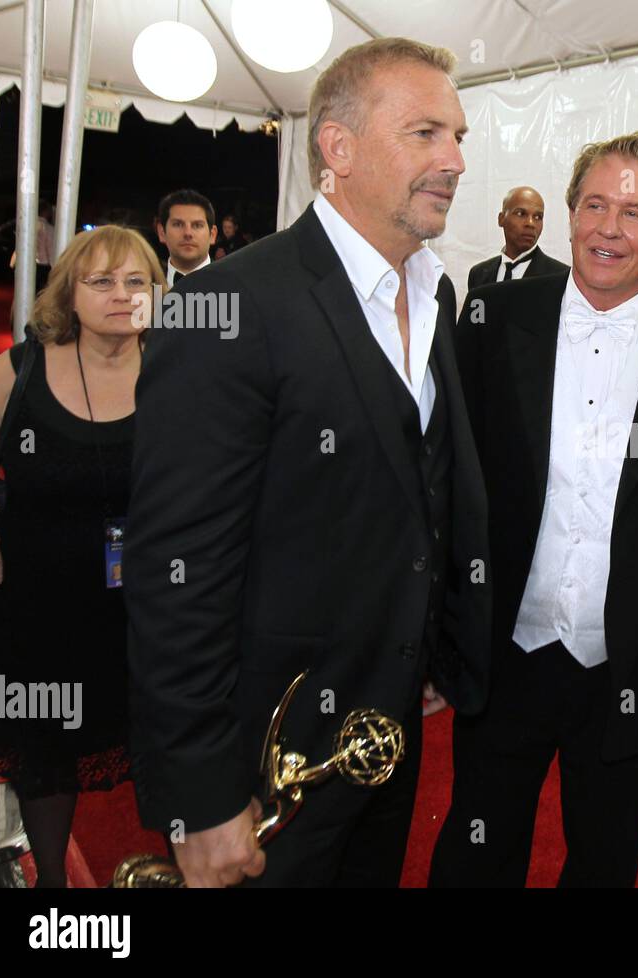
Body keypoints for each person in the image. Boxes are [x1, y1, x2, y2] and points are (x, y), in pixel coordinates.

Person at [125, 37, 488, 888]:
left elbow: (419, 489)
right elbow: (177, 571)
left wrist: (428, 648)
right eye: (428, 133)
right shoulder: (227, 307)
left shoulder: (433, 292)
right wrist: (202, 795)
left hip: (384, 731)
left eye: (460, 136)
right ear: (338, 148)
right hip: (265, 760)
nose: (456, 161)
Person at [431, 131, 638, 887]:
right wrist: (435, 620)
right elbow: (448, 480)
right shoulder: (490, 317)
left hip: (628, 659)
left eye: (636, 214)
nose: (610, 228)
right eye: (595, 205)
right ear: (571, 213)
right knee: (477, 848)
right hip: (505, 646)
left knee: (605, 858)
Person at [0, 225, 162, 886]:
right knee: (45, 753)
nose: (121, 295)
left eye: (136, 281)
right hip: (36, 609)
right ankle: (53, 885)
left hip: (150, 607)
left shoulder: (180, 371)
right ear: (69, 292)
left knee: (164, 742)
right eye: (102, 281)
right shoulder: (25, 366)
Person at [466, 186, 568, 289]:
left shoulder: (560, 277)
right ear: (501, 219)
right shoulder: (478, 274)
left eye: (538, 217)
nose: (530, 223)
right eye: (521, 214)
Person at [155, 189, 217, 285]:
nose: (188, 233)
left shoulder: (236, 286)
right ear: (162, 232)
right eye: (178, 224)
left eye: (197, 225)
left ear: (212, 235)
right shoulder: (143, 288)